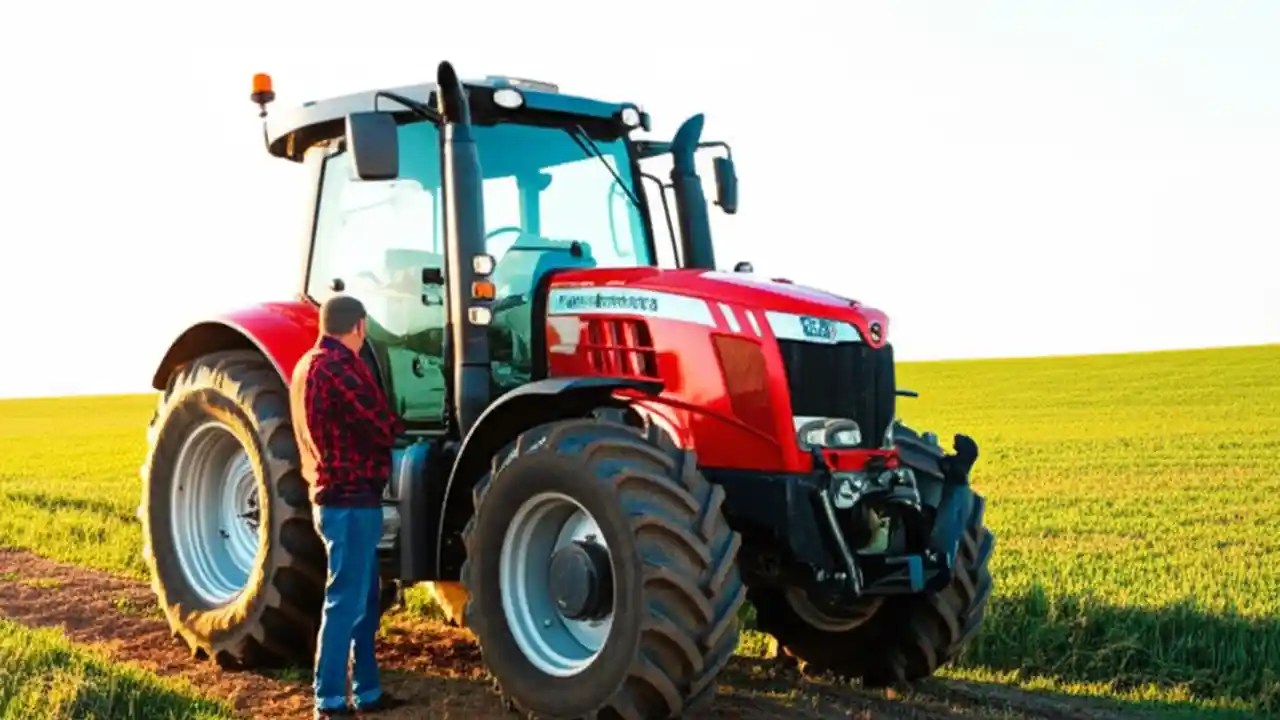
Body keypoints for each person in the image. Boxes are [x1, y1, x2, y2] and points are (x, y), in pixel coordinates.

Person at [290, 294, 406, 718]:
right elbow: (376, 423)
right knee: (347, 601)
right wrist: (402, 427)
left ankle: (368, 691)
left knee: (363, 599)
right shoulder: (338, 367)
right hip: (352, 498)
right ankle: (330, 700)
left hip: (334, 497)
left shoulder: (306, 366)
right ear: (359, 325)